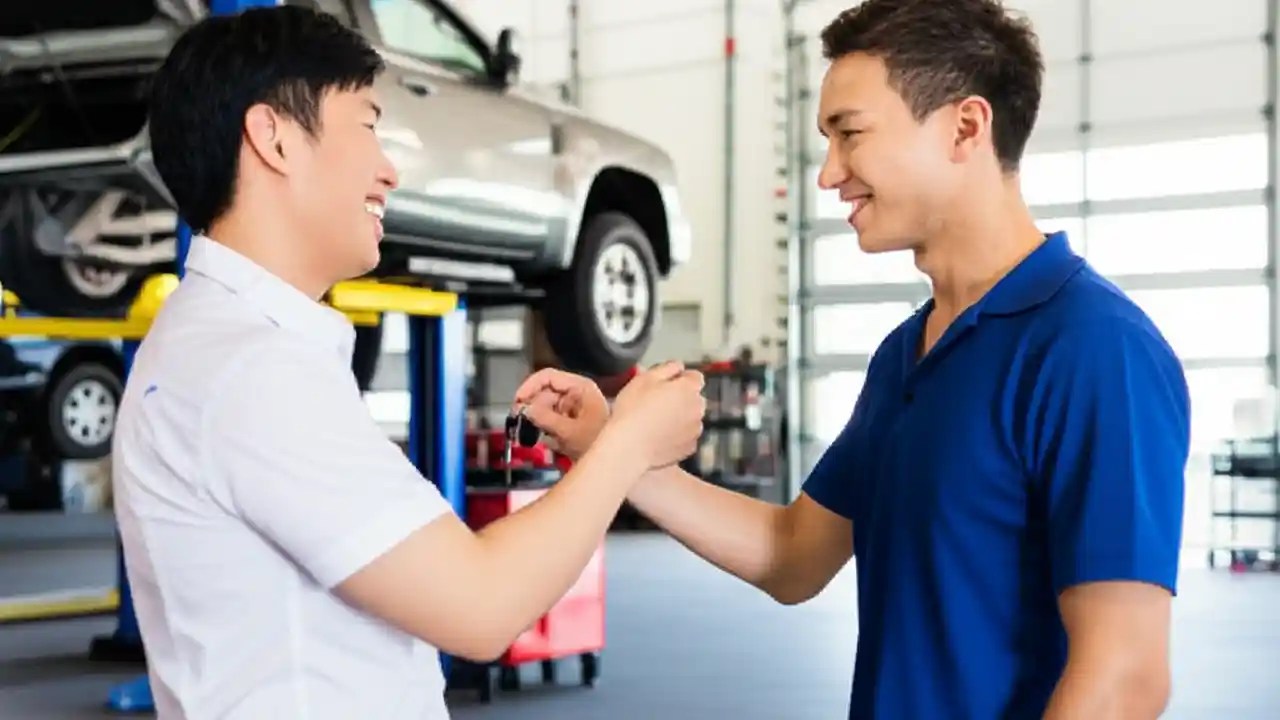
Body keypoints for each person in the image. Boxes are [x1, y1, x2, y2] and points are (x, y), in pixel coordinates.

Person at [515, 1, 1191, 718]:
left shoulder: (1095, 350)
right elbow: (792, 555)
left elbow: (1123, 677)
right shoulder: (906, 354)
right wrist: (611, 448)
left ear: (966, 128)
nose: (828, 174)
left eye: (851, 135)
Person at [110, 7, 706, 719]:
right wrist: (628, 442)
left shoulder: (218, 345)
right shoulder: (252, 370)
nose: (389, 169)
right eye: (367, 126)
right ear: (273, 138)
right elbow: (482, 605)